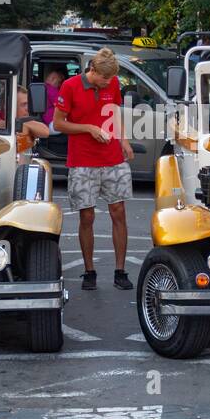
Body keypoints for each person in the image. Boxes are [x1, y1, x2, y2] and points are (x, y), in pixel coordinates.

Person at [52, 47, 135, 291]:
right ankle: (89, 272)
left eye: (111, 79)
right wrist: (88, 128)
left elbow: (114, 114)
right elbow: (58, 123)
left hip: (112, 158)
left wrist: (124, 140)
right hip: (82, 160)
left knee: (118, 211)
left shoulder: (113, 82)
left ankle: (120, 271)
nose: (108, 83)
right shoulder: (70, 86)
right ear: (92, 70)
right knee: (86, 216)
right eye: (104, 78)